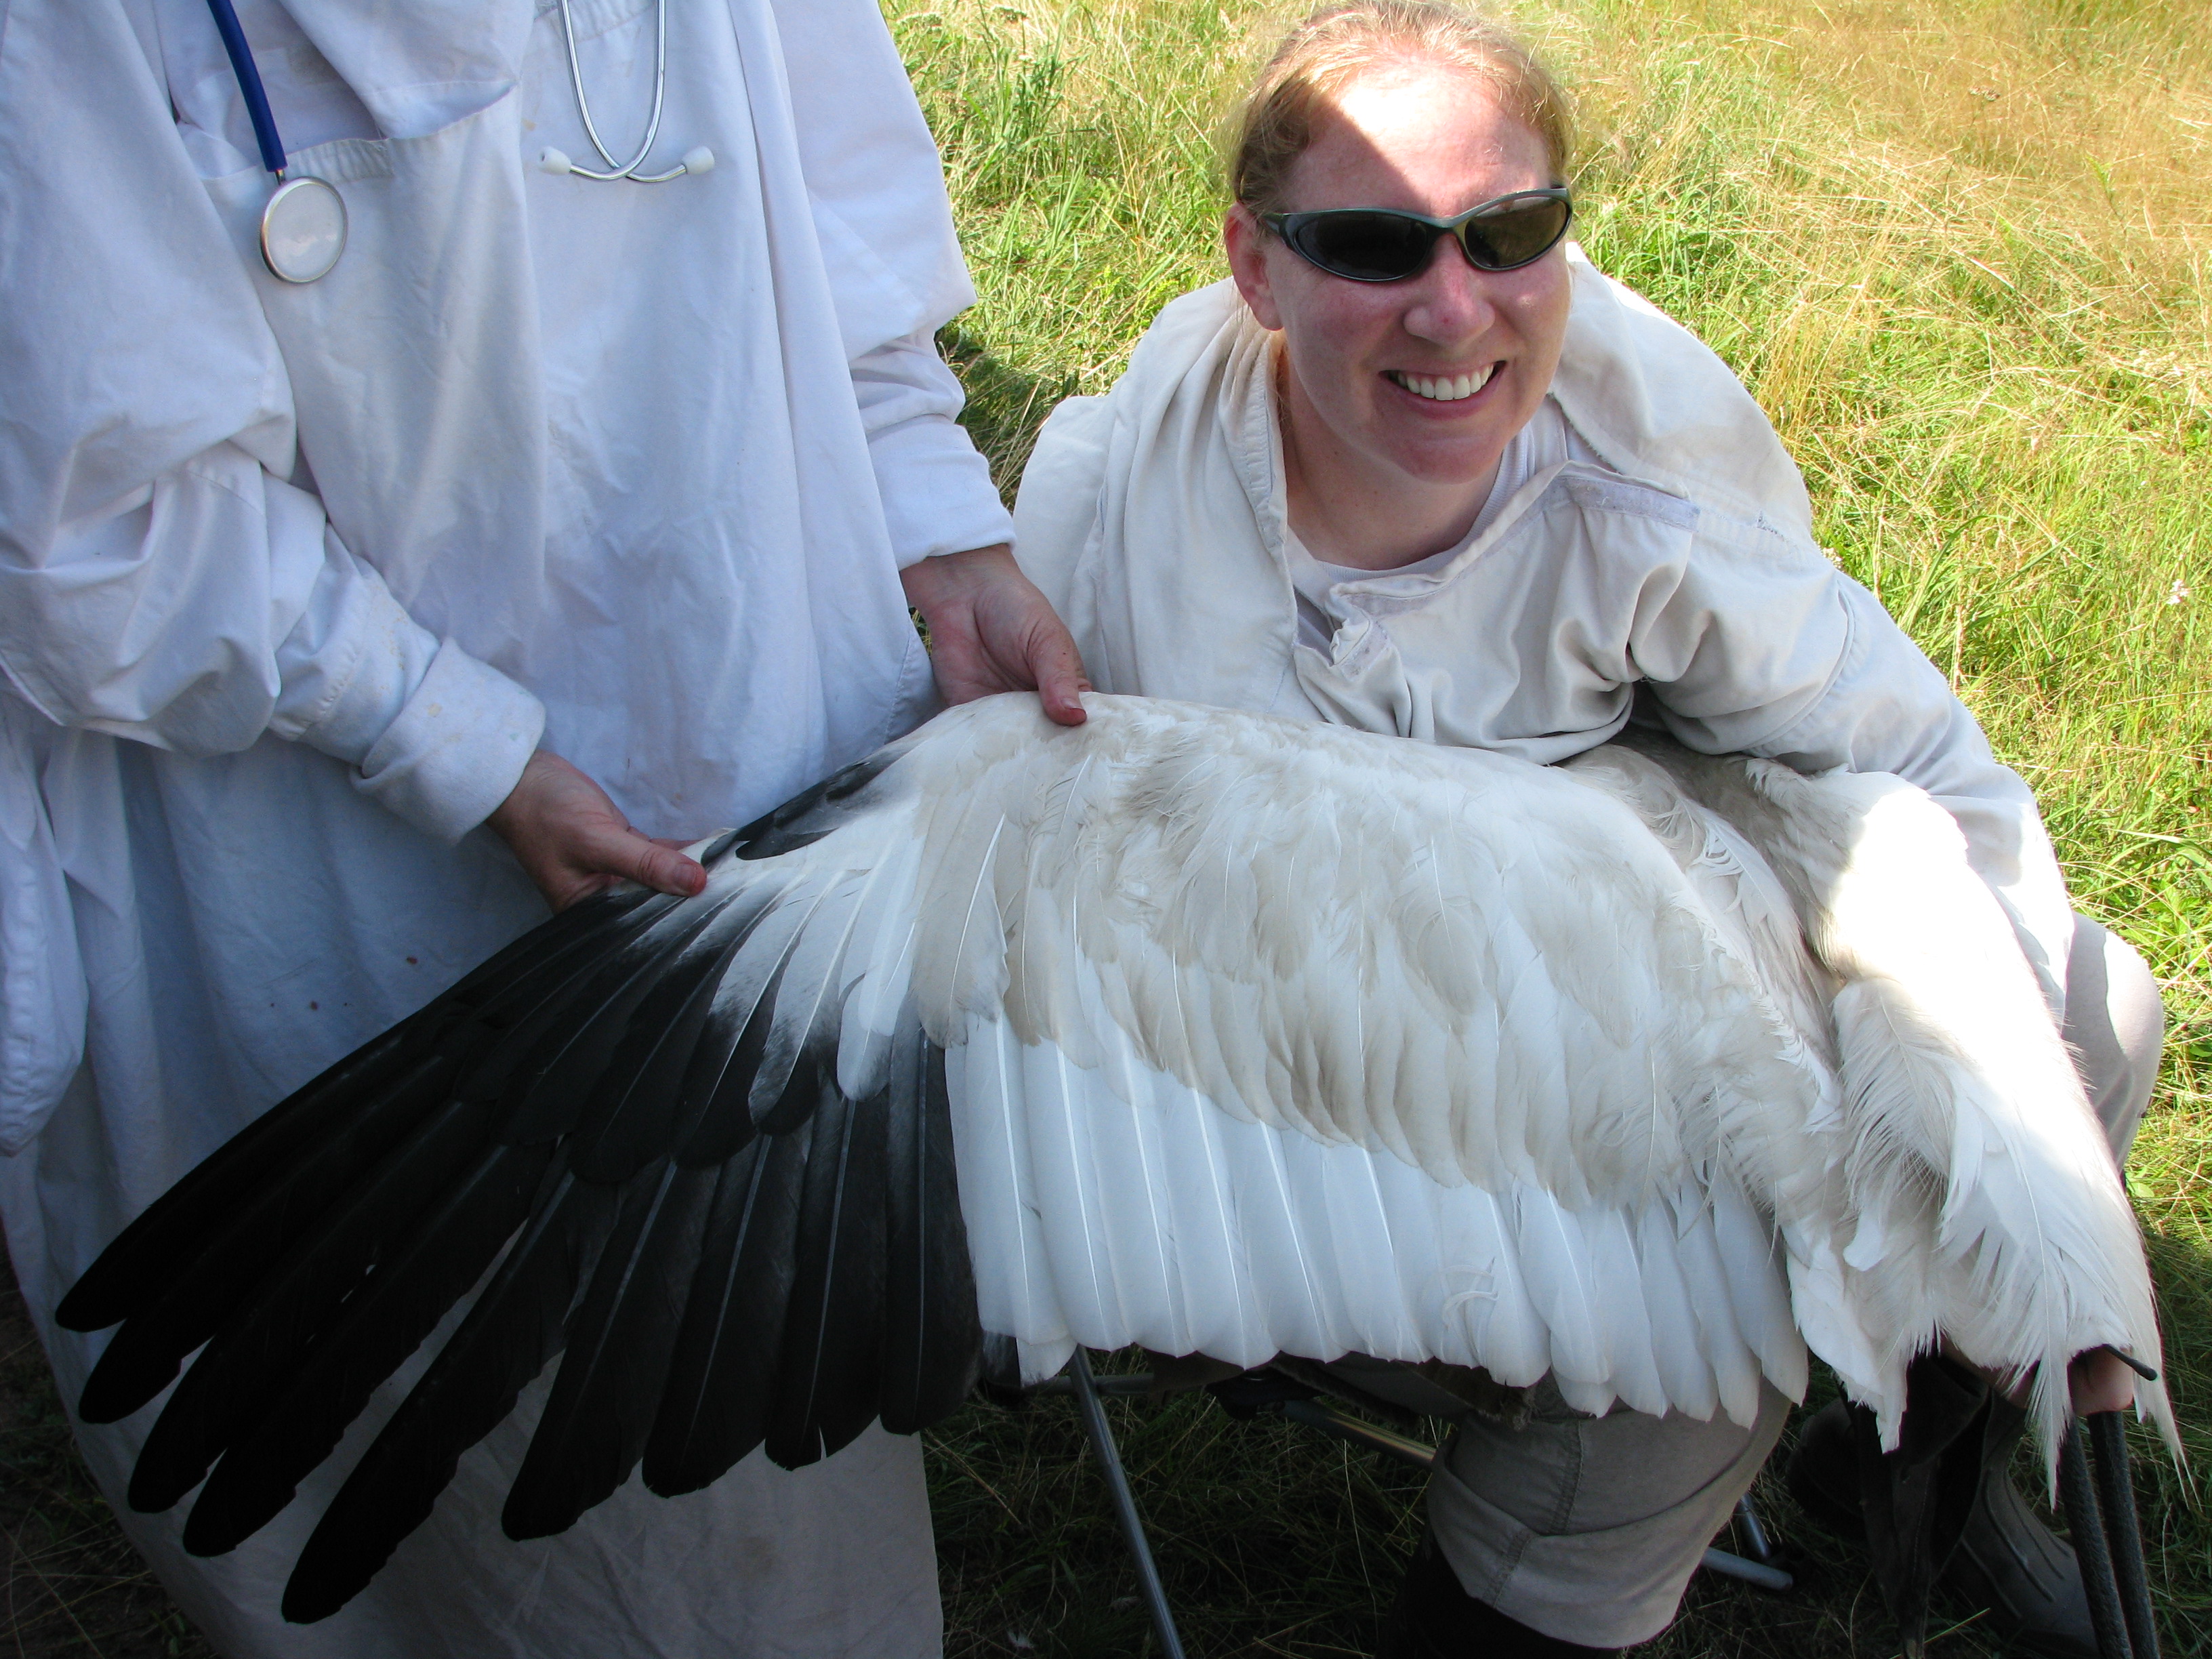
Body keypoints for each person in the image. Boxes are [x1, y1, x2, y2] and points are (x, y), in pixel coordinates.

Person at [1008, 4, 2163, 1654]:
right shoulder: (1115, 492)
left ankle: (1916, 1455)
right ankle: (1532, 1604)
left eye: (1512, 231)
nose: (1452, 306)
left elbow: (1907, 761)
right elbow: (1009, 890)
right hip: (1272, 1083)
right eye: (1370, 242)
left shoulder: (1640, 474)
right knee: (1720, 1263)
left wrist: (2054, 1233)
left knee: (2086, 1021)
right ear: (1254, 269)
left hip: (1594, 945)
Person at [0, 0, 1084, 1654]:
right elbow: (99, 507)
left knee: (740, 1387)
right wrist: (453, 744)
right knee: (406, 1406)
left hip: (746, 684)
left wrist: (939, 530)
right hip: (313, 824)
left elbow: (834, 211)